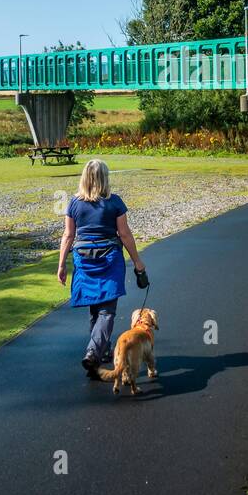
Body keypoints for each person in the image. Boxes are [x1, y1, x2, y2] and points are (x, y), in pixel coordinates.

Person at [57, 159, 146, 379]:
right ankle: (94, 351)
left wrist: (61, 265)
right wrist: (137, 263)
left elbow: (68, 235)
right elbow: (124, 234)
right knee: (106, 310)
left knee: (96, 308)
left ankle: (102, 351)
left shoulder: (74, 203)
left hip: (84, 259)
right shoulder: (114, 202)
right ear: (105, 178)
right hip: (109, 258)